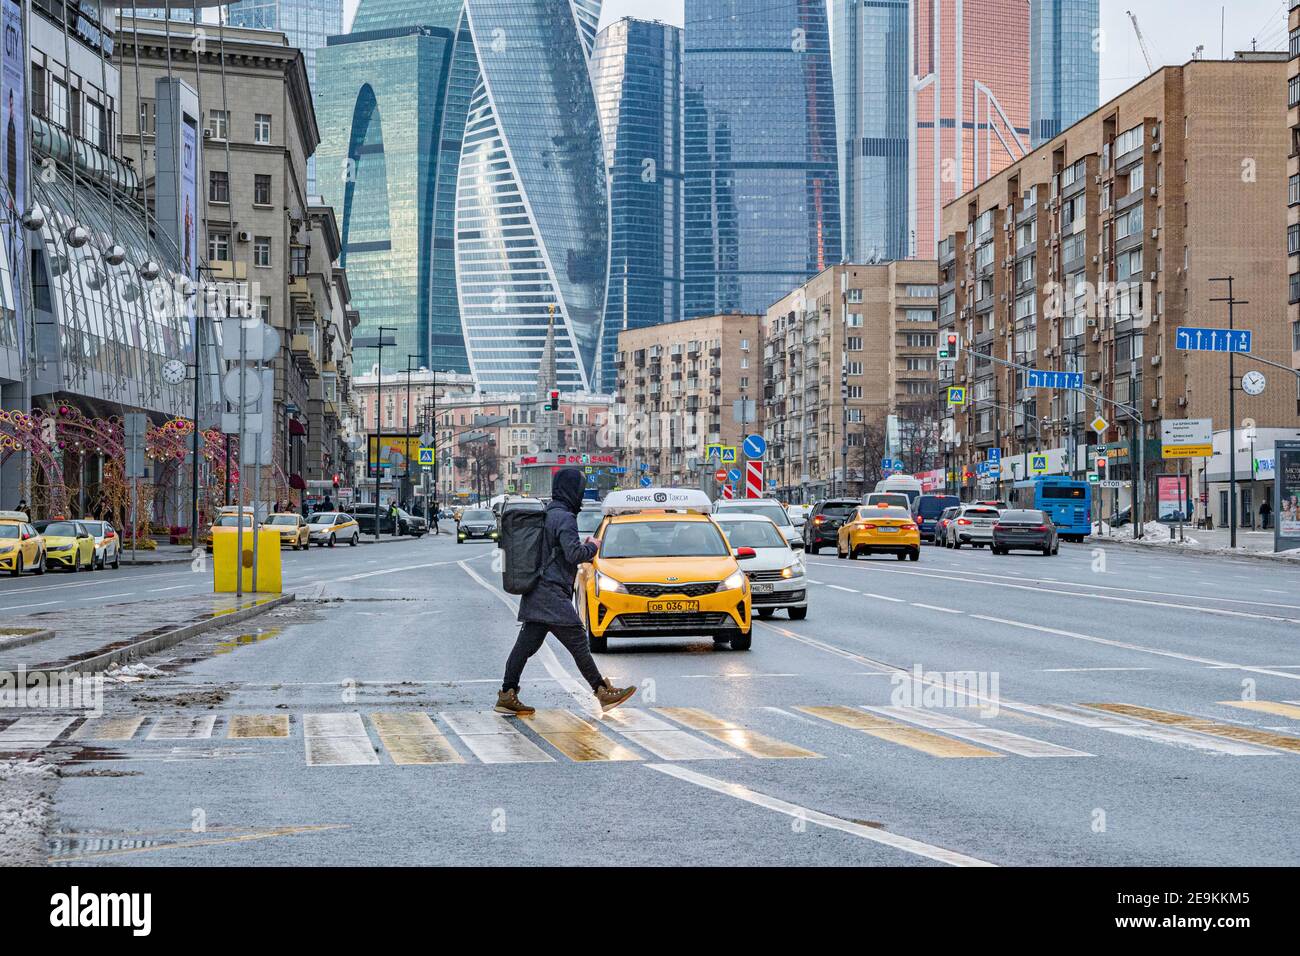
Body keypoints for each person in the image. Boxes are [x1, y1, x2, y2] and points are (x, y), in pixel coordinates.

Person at [497, 468, 635, 716]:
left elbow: (558, 550)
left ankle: (507, 694)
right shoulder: (566, 518)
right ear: (573, 491)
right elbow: (573, 555)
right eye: (579, 489)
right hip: (551, 594)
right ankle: (602, 692)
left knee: (525, 646)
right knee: (578, 642)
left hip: (538, 590)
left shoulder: (551, 513)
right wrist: (591, 547)